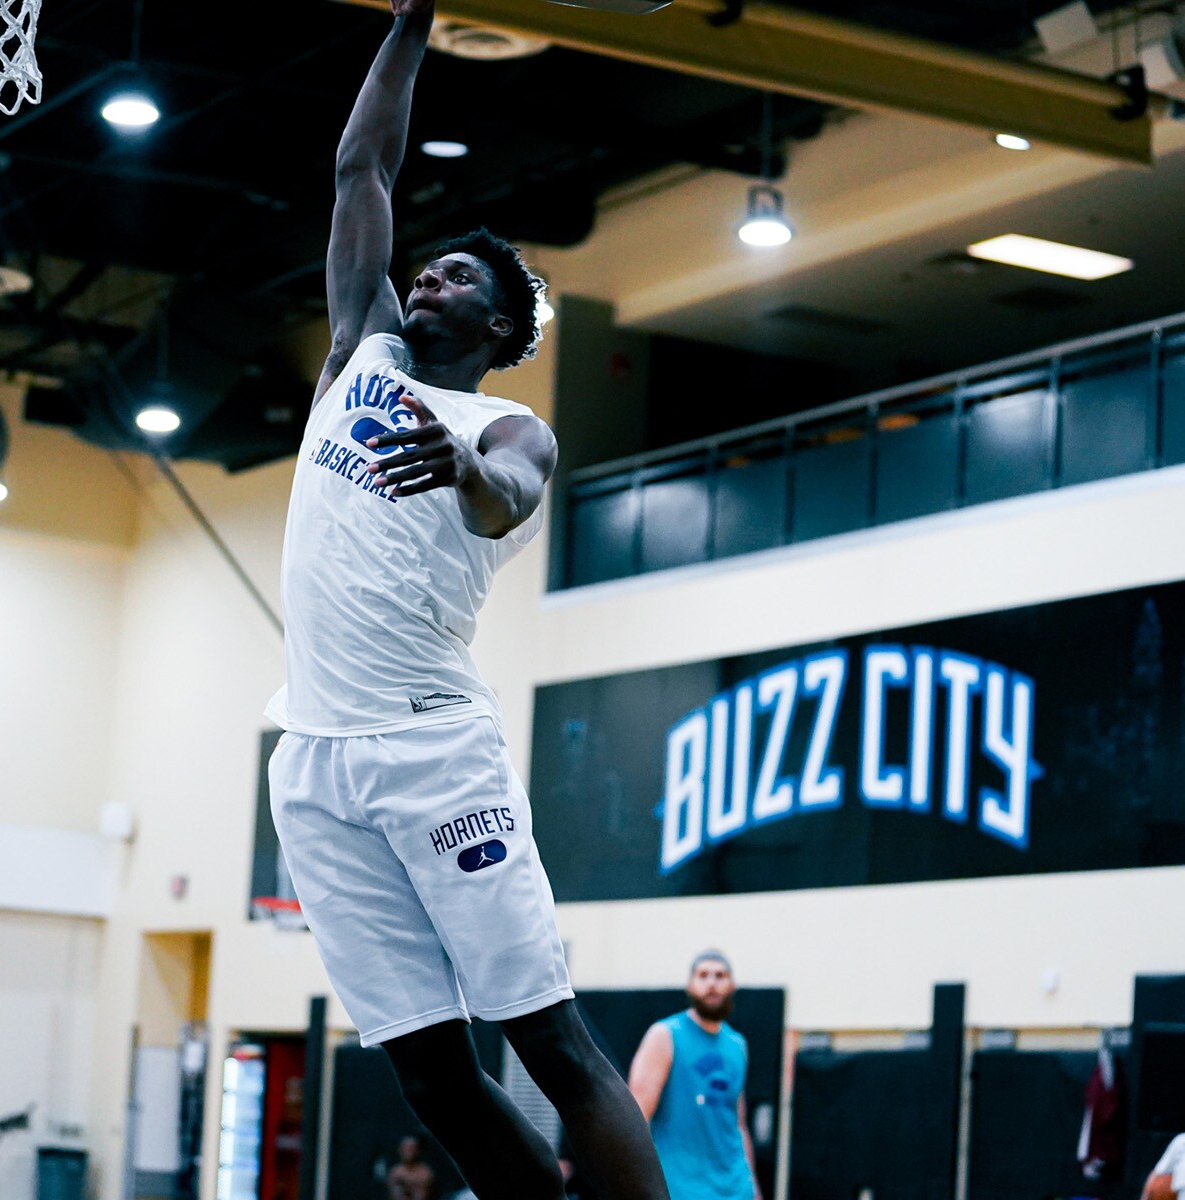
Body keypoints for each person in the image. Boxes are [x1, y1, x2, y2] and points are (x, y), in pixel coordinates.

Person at [263, 2, 668, 1197]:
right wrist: (411, 17)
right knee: (431, 1079)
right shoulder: (358, 356)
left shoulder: (506, 427)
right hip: (314, 763)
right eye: (421, 267)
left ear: (494, 326)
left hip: (435, 755)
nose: (420, 279)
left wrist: (457, 466)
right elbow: (360, 165)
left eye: (449, 279)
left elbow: (503, 502)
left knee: (549, 1043)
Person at [626, 953, 759, 1200]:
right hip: (681, 1189)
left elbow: (738, 1124)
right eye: (703, 975)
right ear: (690, 986)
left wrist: (754, 1186)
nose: (711, 983)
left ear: (732, 986)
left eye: (720, 976)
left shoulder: (737, 1045)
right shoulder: (665, 1035)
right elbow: (635, 1119)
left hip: (736, 1189)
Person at [388, 1135, 437, 1200]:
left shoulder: (425, 1172)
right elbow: (394, 1195)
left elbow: (422, 1196)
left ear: (417, 1150)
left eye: (411, 1148)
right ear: (400, 1149)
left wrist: (407, 1182)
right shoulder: (395, 1171)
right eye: (405, 1148)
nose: (408, 1151)